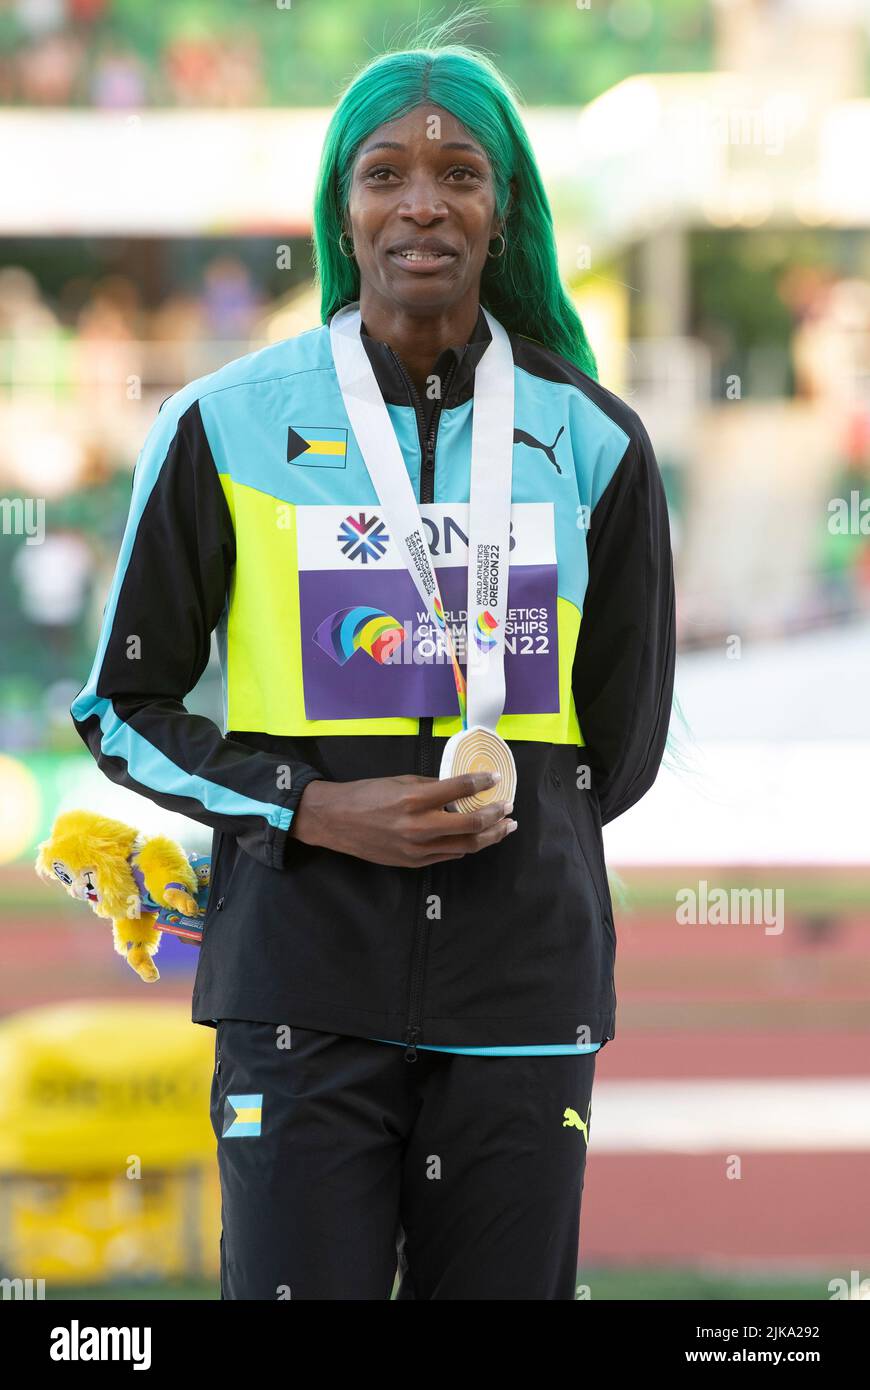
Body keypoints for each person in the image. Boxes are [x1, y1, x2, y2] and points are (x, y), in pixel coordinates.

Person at [71, 33, 675, 1300]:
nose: (422, 202)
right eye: (385, 172)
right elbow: (122, 705)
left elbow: (620, 747)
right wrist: (305, 812)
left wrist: (511, 813)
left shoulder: (598, 443)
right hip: (301, 991)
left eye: (459, 172)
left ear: (503, 207)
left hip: (522, 995)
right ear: (341, 209)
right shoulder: (224, 423)